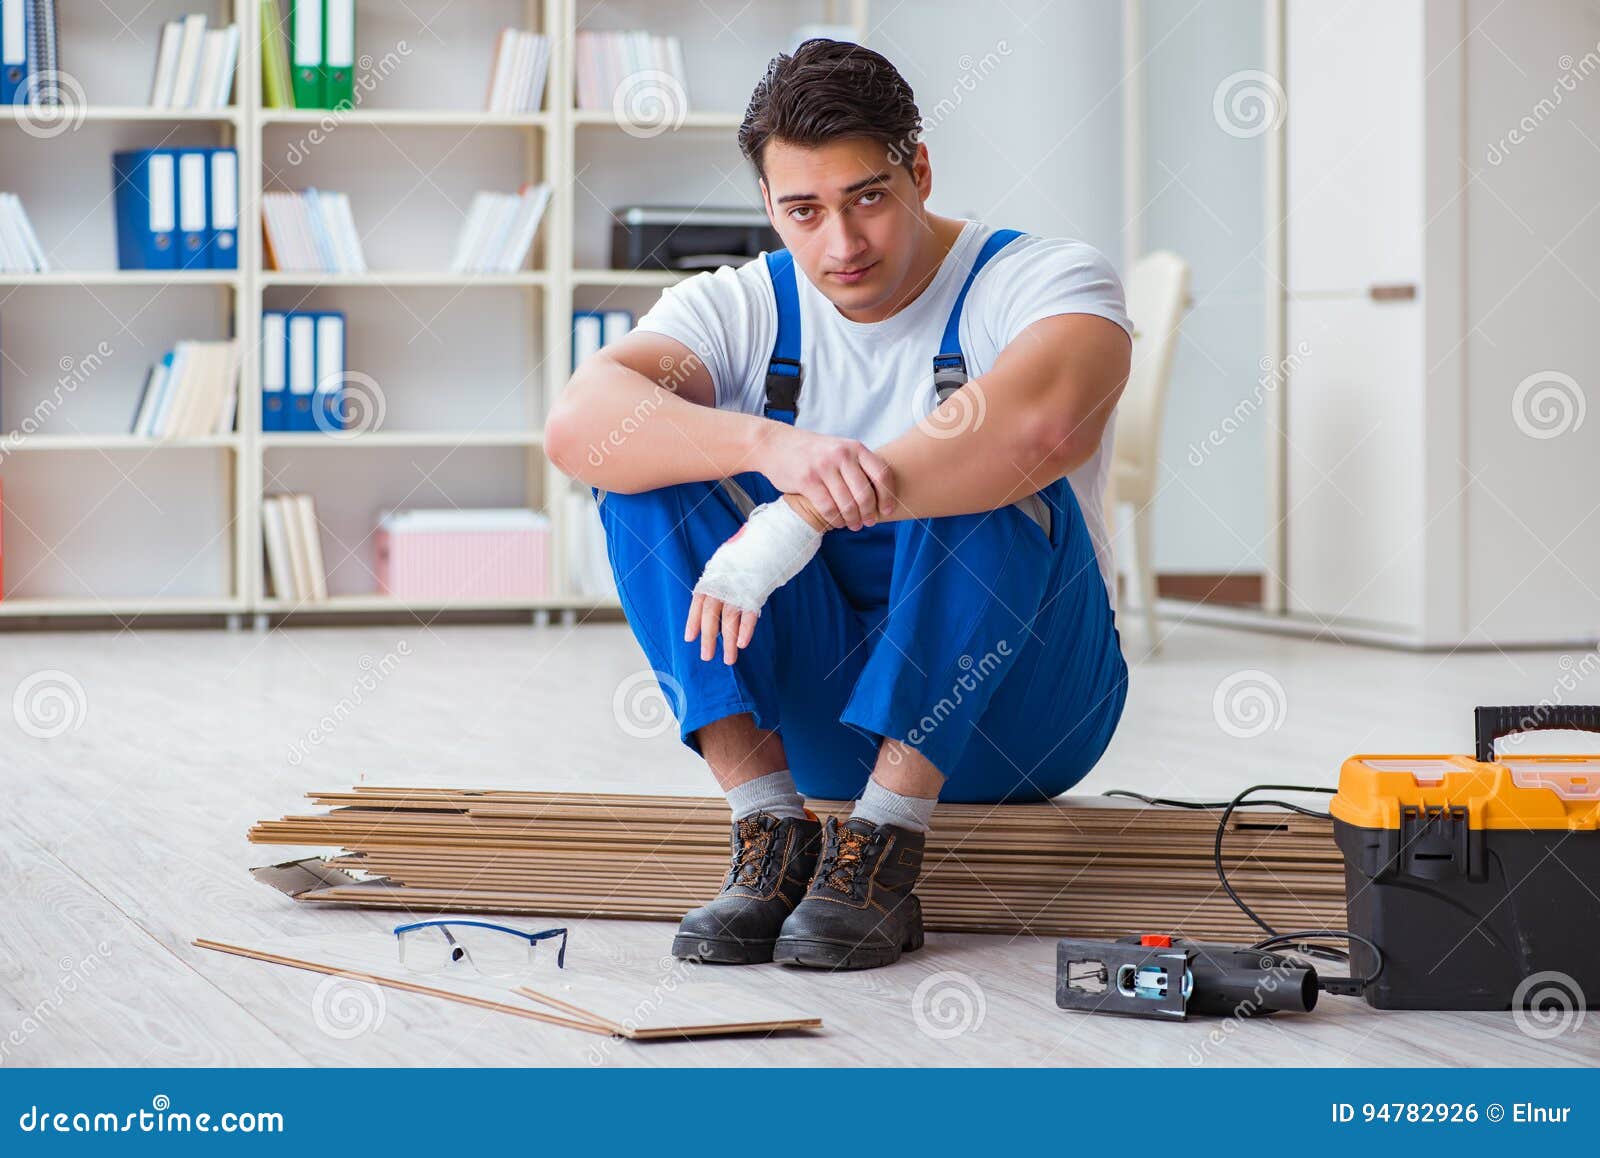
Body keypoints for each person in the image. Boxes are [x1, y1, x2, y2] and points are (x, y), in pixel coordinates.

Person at [545, 38, 1132, 971]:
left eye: (867, 197)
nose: (842, 244)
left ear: (920, 170)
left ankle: (883, 847)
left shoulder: (1038, 279)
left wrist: (799, 514)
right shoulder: (741, 306)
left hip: (1020, 714)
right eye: (805, 211)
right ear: (771, 209)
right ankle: (771, 832)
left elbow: (1047, 429)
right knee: (640, 472)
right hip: (820, 729)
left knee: (977, 451)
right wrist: (770, 446)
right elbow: (580, 428)